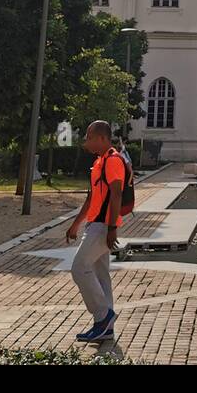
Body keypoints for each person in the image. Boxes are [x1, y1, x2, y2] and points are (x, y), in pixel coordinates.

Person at [66, 120, 127, 344]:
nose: (86, 142)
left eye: (89, 137)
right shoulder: (100, 162)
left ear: (102, 138)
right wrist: (76, 224)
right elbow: (92, 198)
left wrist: (112, 228)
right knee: (101, 275)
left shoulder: (113, 160)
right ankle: (105, 328)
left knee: (79, 268)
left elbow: (117, 195)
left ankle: (103, 316)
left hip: (103, 226)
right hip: (96, 224)